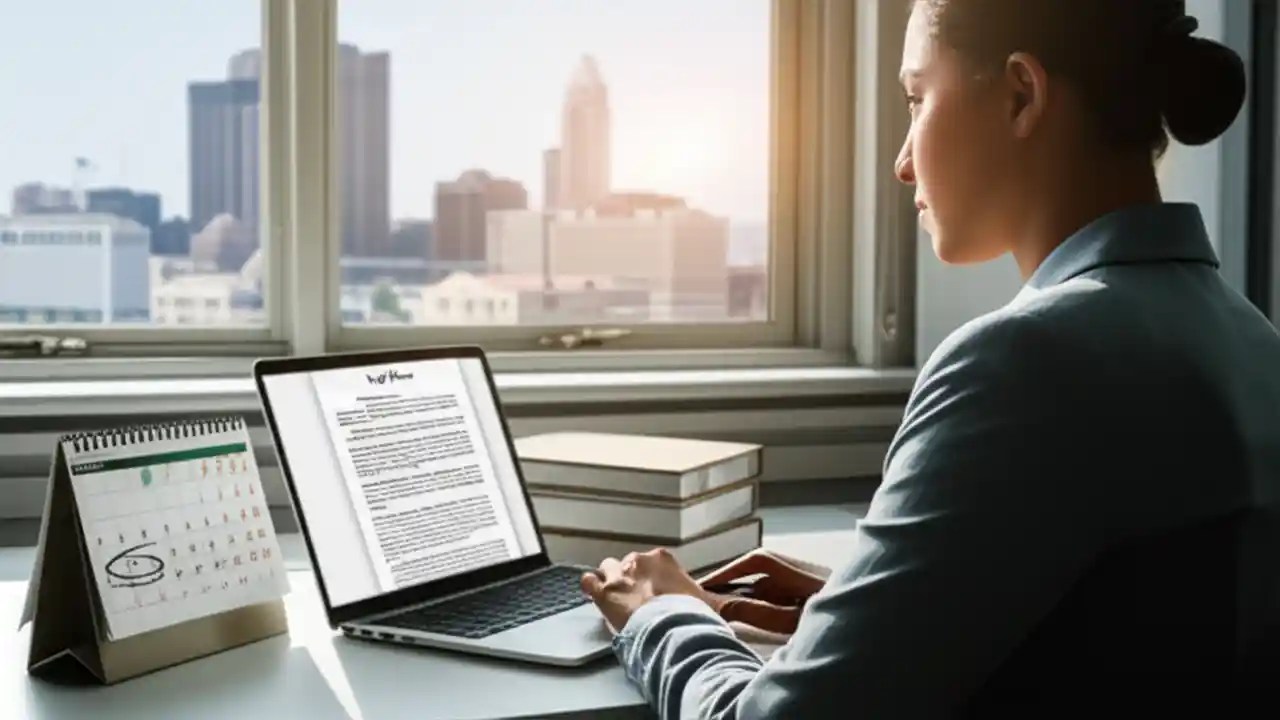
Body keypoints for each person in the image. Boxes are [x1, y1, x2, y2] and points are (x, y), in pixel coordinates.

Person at [579, 0, 1280, 716]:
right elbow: (1130, 636)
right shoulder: (1251, 340)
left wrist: (661, 616)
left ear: (1021, 95)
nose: (902, 162)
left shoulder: (1023, 364)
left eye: (917, 99)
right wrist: (868, 615)